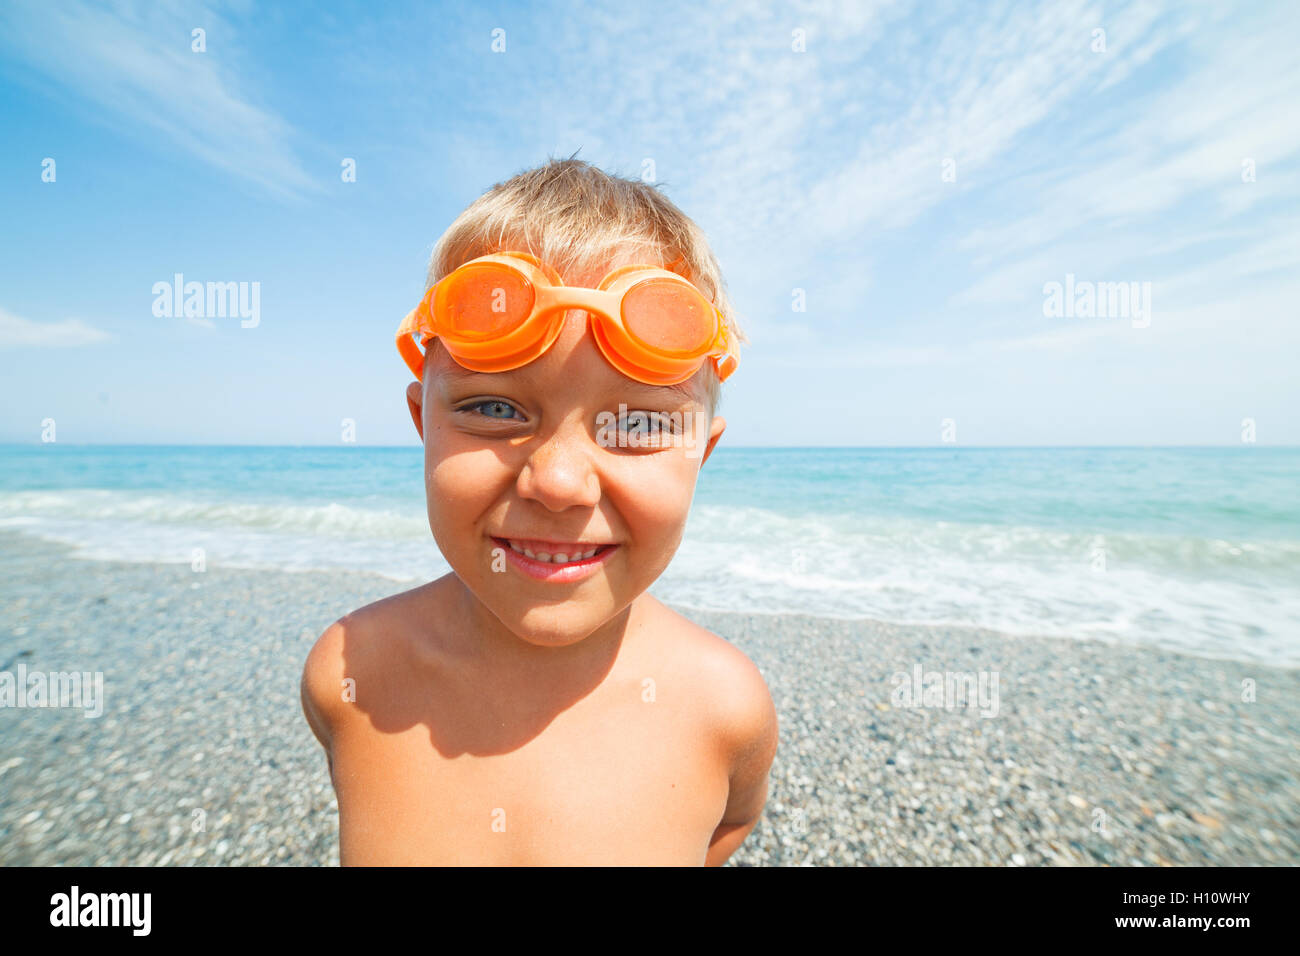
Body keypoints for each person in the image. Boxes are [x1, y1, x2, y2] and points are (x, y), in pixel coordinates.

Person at [301, 157, 777, 865]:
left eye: (639, 424)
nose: (557, 482)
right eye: (492, 407)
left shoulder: (725, 708)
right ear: (422, 423)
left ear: (700, 453)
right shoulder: (352, 675)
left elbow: (729, 825)